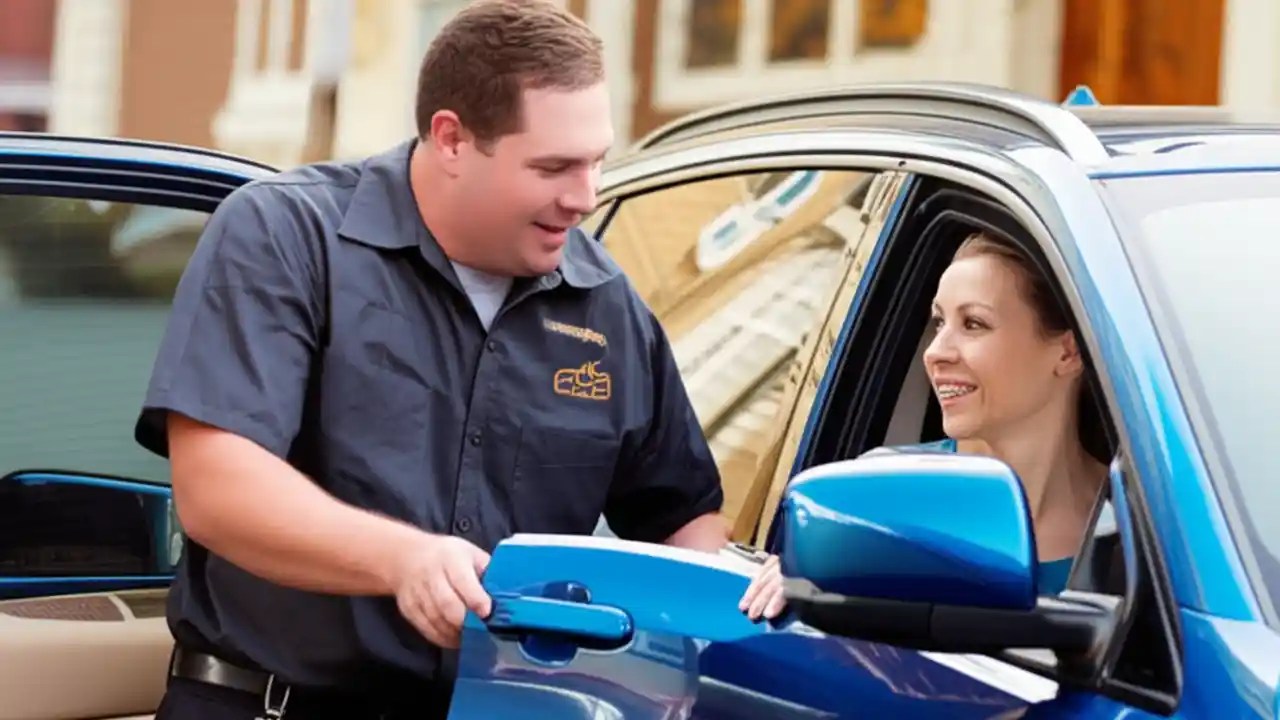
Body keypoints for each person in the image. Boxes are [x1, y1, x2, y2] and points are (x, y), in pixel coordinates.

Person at [135, 2, 729, 718]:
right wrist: (405, 560)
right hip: (272, 705)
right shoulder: (284, 235)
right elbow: (218, 488)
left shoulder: (608, 306)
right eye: (553, 167)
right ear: (451, 139)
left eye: (598, 161)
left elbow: (683, 521)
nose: (586, 197)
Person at [739, 231, 1109, 621]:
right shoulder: (880, 492)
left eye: (974, 324)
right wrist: (811, 568)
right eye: (939, 322)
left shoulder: (1148, 524)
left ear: (1068, 352)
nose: (935, 352)